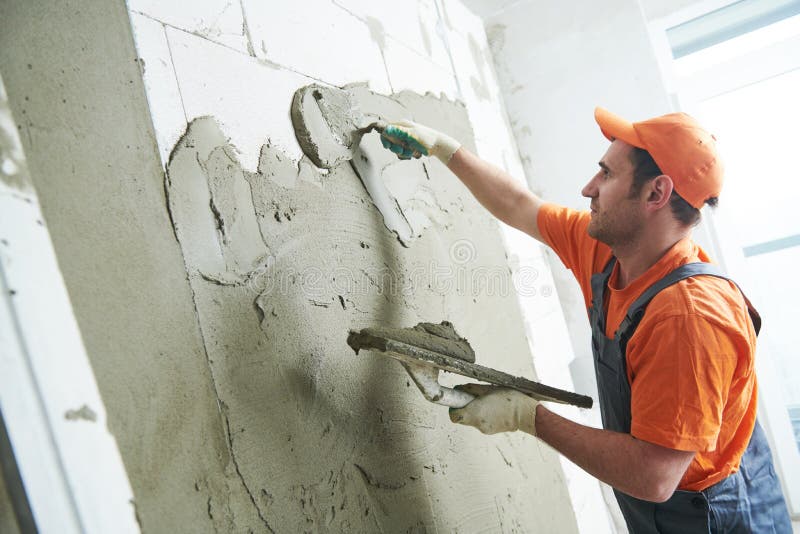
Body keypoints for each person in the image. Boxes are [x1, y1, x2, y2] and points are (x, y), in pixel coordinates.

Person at [379, 110, 792, 533]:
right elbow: (521, 206)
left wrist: (526, 416)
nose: (588, 189)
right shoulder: (612, 252)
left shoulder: (690, 318)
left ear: (656, 193)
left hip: (714, 517)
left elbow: (654, 475)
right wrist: (443, 147)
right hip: (661, 503)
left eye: (606, 174)